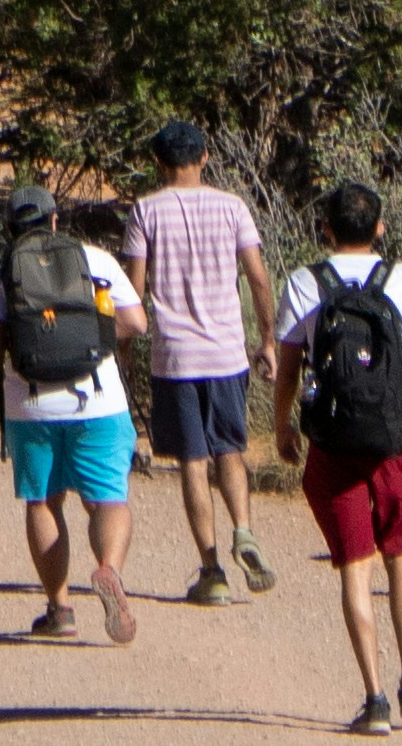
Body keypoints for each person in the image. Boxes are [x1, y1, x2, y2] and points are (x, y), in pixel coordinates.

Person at [274, 180, 402, 735]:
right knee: (401, 558)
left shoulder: (306, 283)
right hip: (400, 436)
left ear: (326, 229)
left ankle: (374, 698)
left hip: (334, 439)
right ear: (380, 227)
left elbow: (288, 368)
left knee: (355, 566)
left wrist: (282, 425)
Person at [0, 180, 148, 645]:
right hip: (98, 399)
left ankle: (60, 608)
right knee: (108, 498)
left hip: (33, 405)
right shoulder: (95, 260)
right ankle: (109, 569)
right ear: (56, 220)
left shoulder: (2, 274)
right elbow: (136, 323)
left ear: (10, 226)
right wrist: (94, 329)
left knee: (44, 500)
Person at [124, 120, 278, 600]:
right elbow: (257, 276)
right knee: (230, 448)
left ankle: (211, 571)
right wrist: (268, 338)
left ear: (158, 163)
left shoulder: (145, 210)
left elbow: (135, 289)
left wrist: (123, 350)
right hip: (228, 351)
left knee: (193, 460)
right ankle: (244, 529)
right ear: (205, 157)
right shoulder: (233, 207)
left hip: (176, 356)